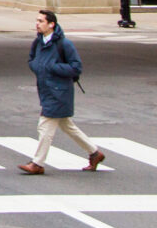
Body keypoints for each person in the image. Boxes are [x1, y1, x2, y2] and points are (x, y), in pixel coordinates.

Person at [18, 9, 104, 176]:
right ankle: (95, 153)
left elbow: (76, 67)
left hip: (59, 92)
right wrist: (37, 67)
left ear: (52, 24)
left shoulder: (64, 44)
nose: (37, 24)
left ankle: (37, 163)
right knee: (66, 125)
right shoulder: (38, 42)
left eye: (41, 21)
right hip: (45, 89)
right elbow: (31, 60)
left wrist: (53, 67)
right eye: (37, 20)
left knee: (45, 126)